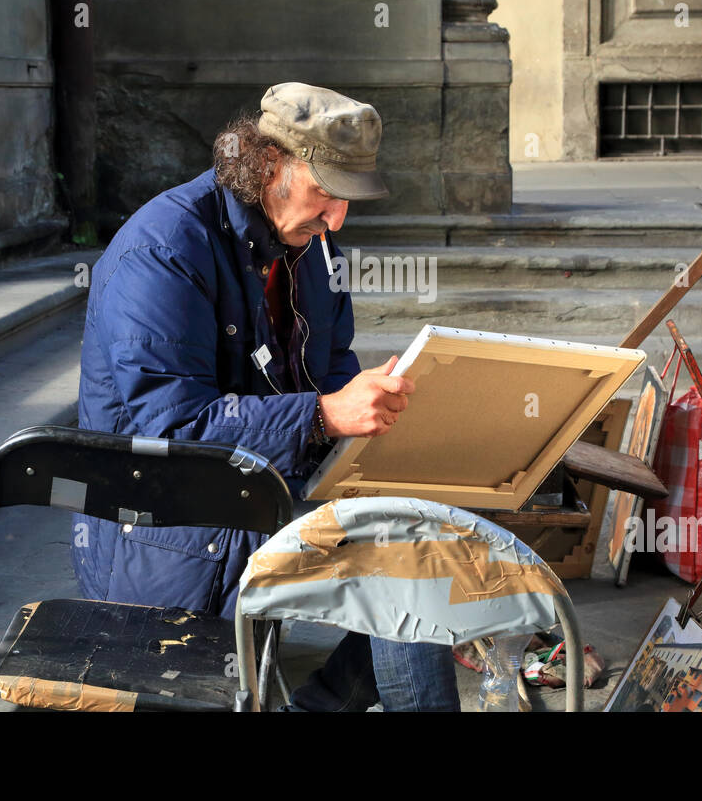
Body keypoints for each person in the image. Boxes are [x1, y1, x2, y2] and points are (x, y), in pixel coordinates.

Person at [72, 82, 460, 711]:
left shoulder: (311, 245)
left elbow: (332, 368)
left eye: (347, 201)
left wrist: (374, 412)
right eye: (326, 194)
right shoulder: (163, 250)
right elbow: (173, 431)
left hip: (263, 487)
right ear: (270, 165)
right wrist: (326, 414)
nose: (337, 219)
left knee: (434, 537)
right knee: (404, 558)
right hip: (168, 524)